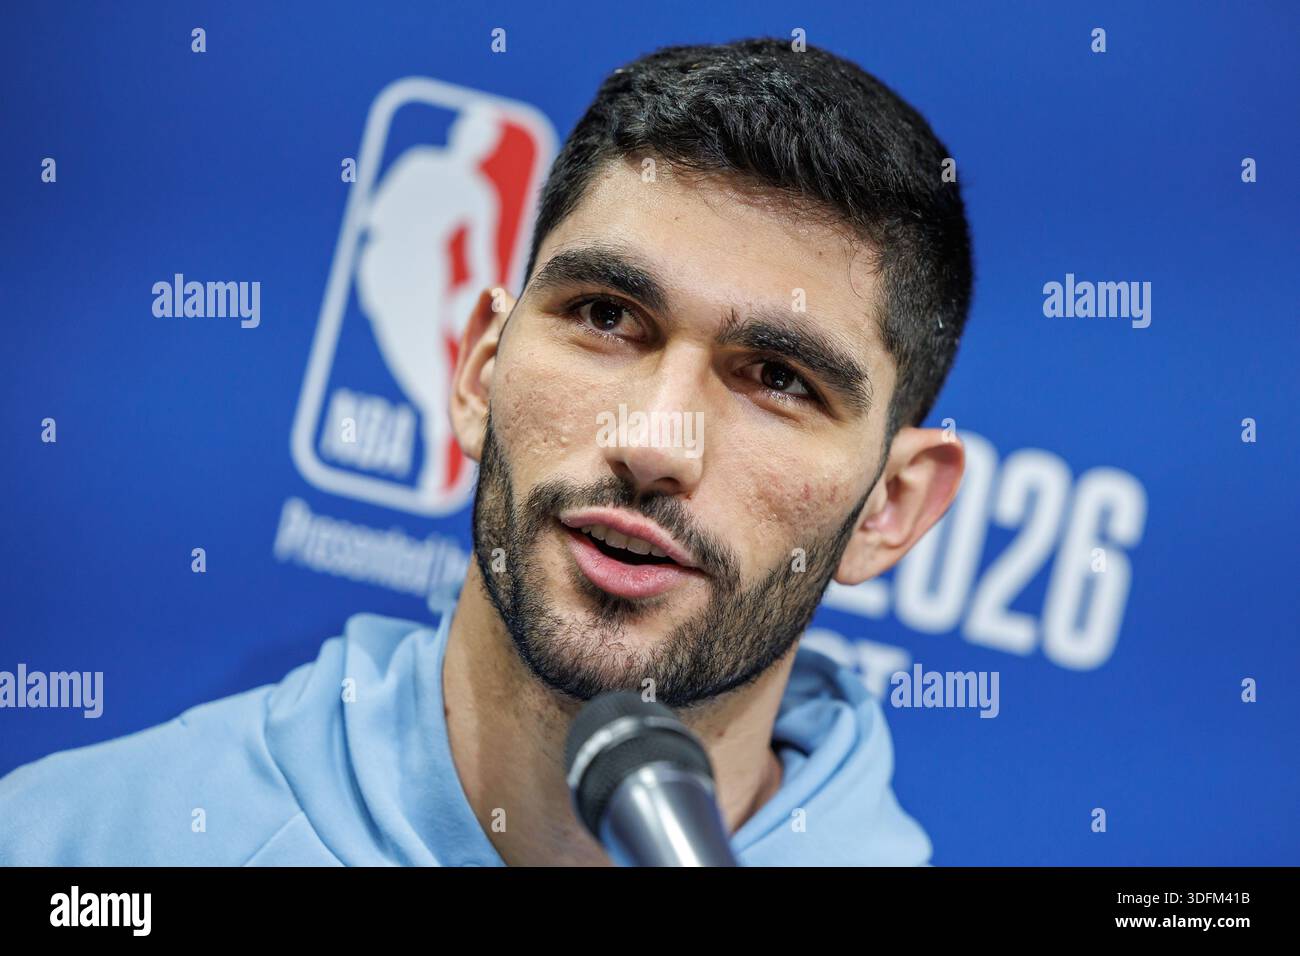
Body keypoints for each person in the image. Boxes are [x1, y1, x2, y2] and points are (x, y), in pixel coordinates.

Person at [0, 37, 972, 866]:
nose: (651, 443)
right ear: (476, 371)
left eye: (777, 378)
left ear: (890, 506)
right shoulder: (85, 844)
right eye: (605, 316)